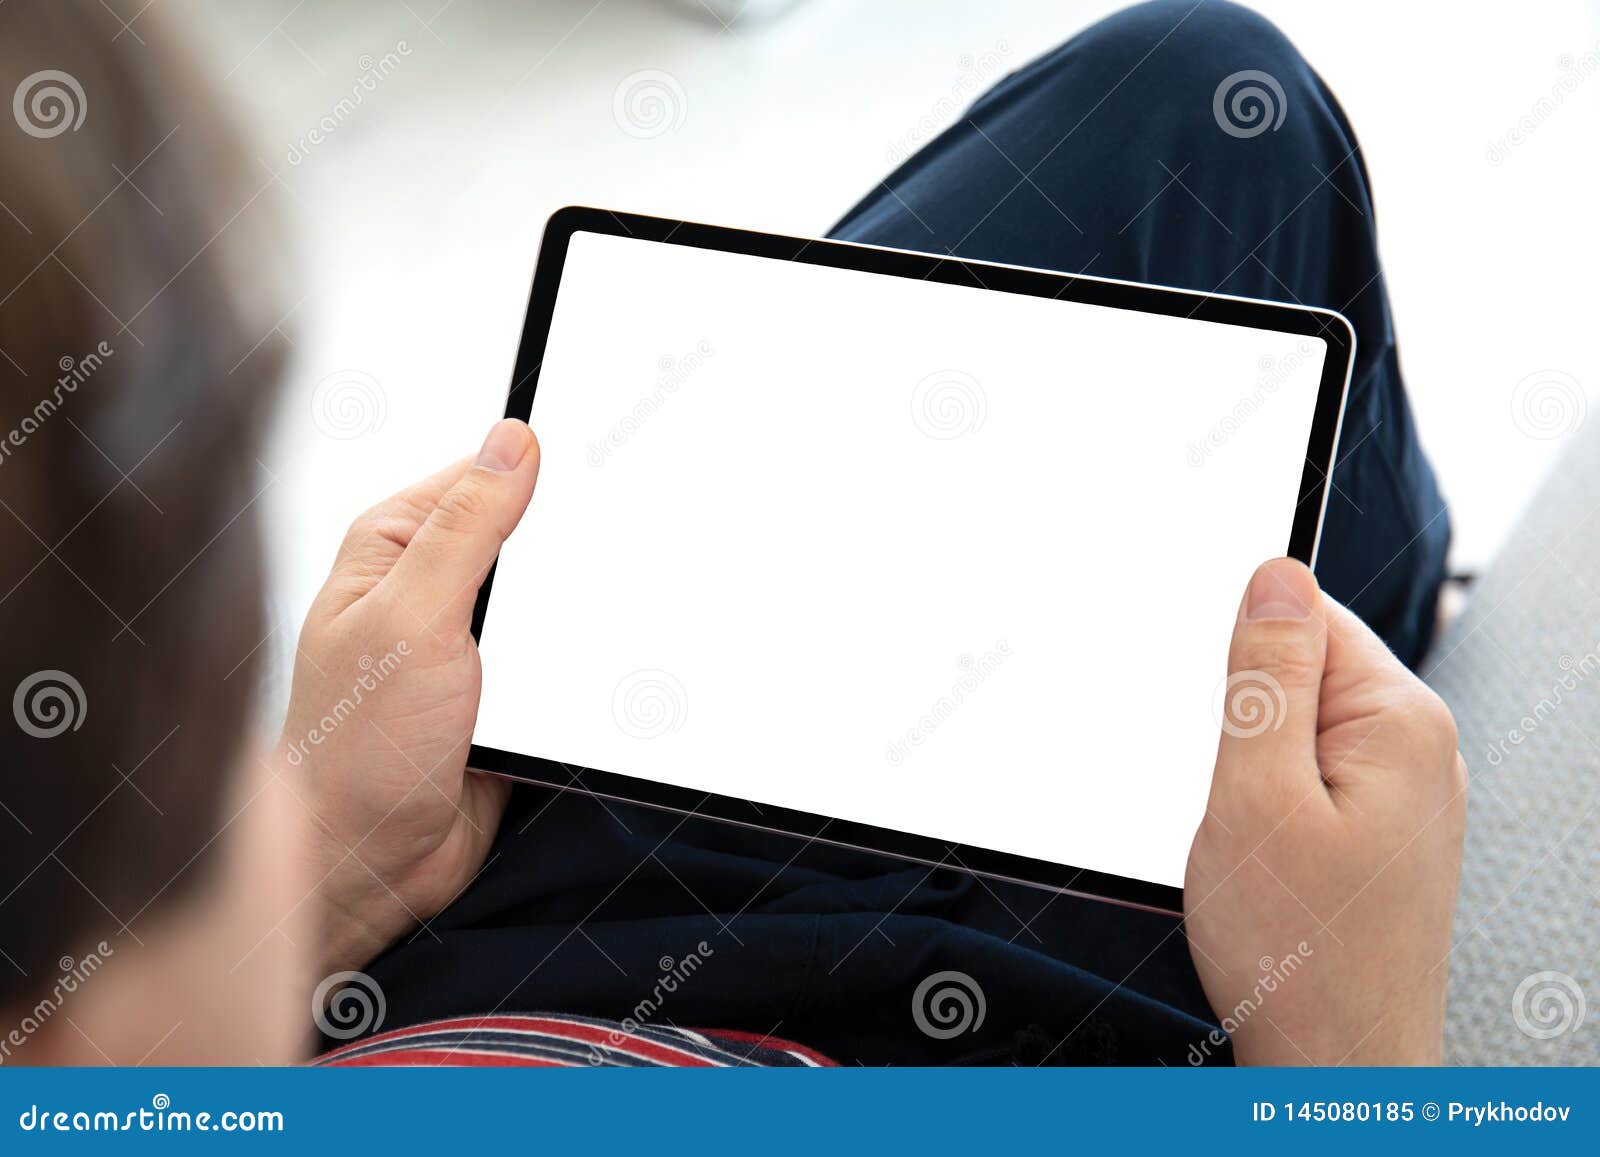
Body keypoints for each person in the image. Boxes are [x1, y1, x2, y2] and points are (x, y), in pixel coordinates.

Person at [0, 0, 1463, 1067]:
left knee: (1192, 96)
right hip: (992, 1038)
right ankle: (1394, 639)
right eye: (201, 780)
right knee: (1230, 162)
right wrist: (1356, 1055)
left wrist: (333, 864)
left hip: (459, 951)